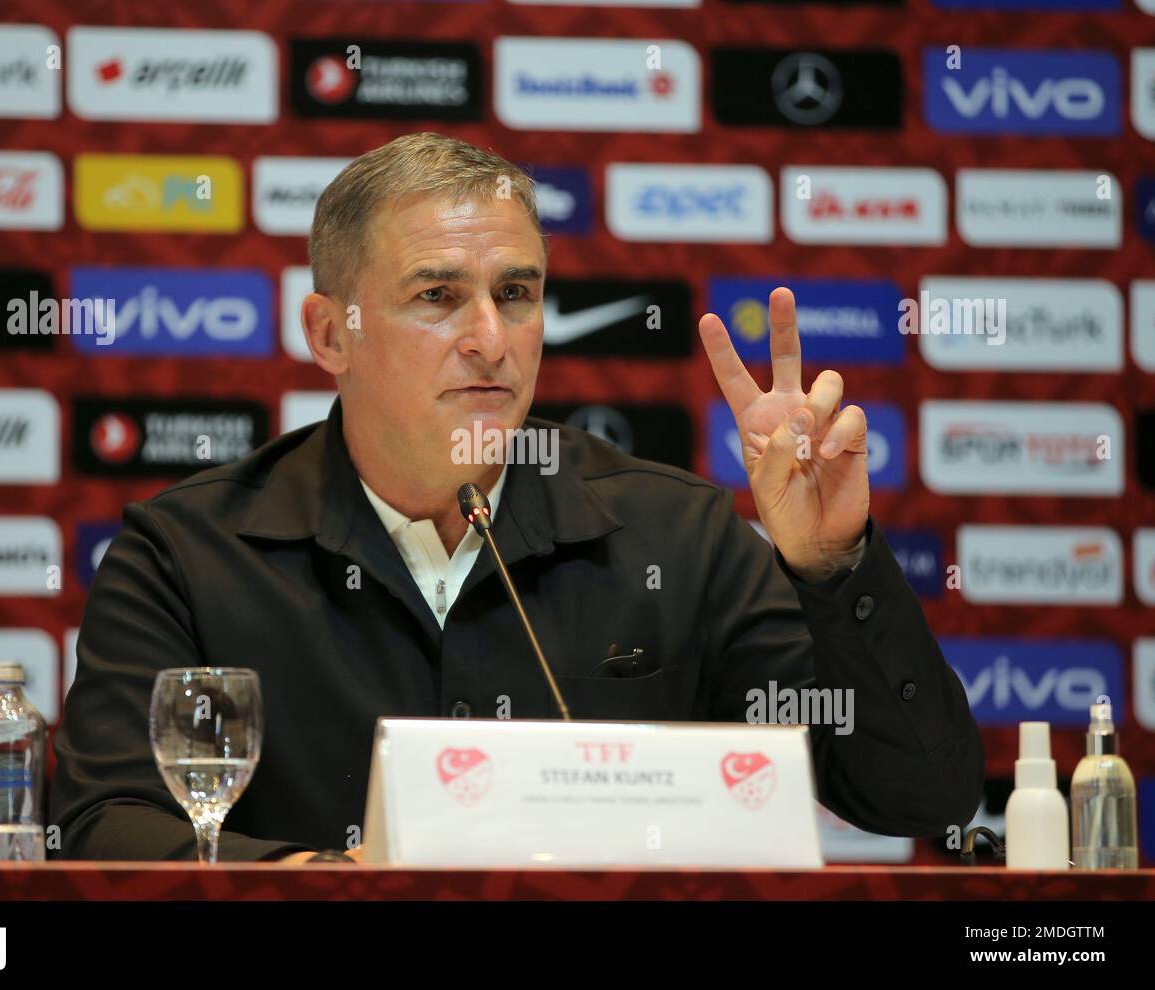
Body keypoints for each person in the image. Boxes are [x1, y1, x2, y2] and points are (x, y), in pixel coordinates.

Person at [49, 131, 983, 863]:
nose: (491, 338)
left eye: (518, 292)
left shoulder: (677, 535)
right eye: (438, 295)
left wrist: (831, 567)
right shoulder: (187, 555)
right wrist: (332, 883)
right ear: (331, 333)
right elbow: (102, 828)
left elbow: (921, 799)